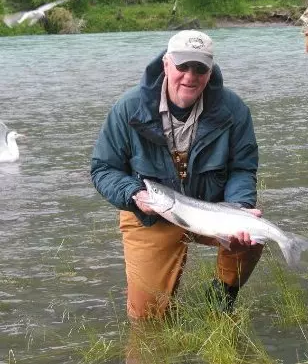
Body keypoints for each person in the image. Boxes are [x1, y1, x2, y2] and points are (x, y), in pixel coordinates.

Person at [91, 30, 264, 322]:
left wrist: (241, 208)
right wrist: (134, 194)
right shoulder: (129, 108)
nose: (190, 76)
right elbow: (103, 169)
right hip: (151, 215)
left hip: (212, 209)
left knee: (254, 235)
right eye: (183, 66)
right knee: (147, 320)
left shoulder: (232, 110)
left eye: (200, 68)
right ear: (166, 64)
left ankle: (220, 298)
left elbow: (242, 168)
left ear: (210, 71)